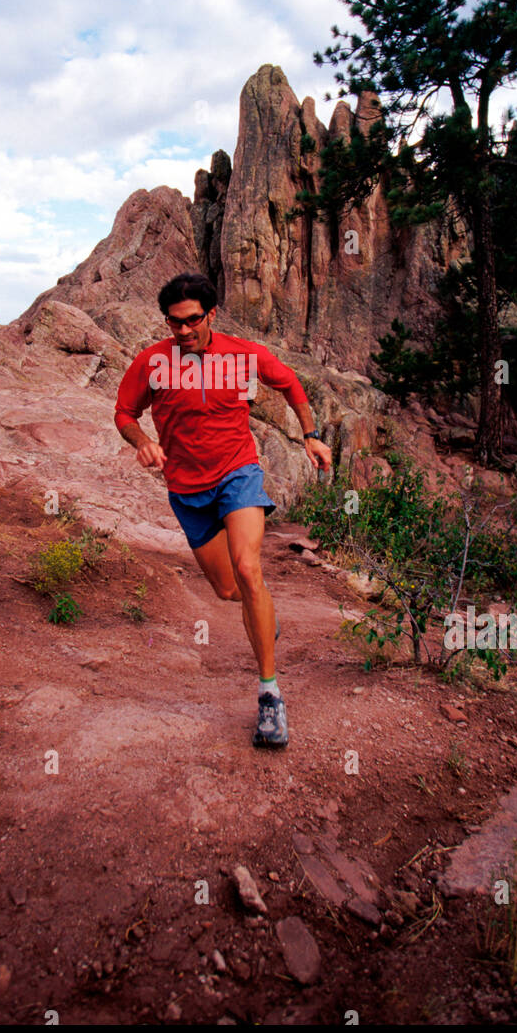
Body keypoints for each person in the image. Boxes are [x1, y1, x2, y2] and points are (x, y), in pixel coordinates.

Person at [114, 272, 332, 748]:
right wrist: (143, 441)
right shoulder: (152, 363)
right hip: (186, 490)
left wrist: (311, 435)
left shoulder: (241, 353)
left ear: (211, 314)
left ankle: (270, 697)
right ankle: (261, 611)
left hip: (238, 472)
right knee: (228, 589)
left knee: (248, 568)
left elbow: (289, 382)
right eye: (174, 323)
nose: (184, 331)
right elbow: (124, 414)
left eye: (192, 320)